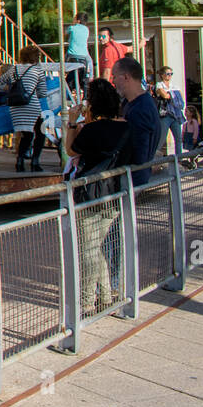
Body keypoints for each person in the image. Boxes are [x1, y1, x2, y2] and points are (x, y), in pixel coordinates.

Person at [63, 78, 130, 314]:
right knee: (96, 246)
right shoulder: (125, 126)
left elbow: (71, 150)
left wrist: (72, 124)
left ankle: (86, 301)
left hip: (90, 192)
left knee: (88, 250)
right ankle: (105, 296)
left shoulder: (93, 130)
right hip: (114, 191)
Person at [111, 56, 161, 187]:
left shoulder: (141, 108)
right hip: (132, 176)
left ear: (126, 77)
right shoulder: (132, 103)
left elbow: (140, 153)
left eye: (114, 76)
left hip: (133, 179)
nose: (113, 81)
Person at [1, 46, 48, 173]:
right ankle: (35, 161)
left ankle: (20, 160)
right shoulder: (37, 70)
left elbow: (1, 81)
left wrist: (11, 87)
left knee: (26, 134)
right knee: (41, 131)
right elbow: (43, 92)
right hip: (31, 105)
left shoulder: (14, 69)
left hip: (15, 106)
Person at [153, 66, 184, 157]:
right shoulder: (159, 85)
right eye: (167, 74)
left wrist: (170, 94)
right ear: (162, 75)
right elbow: (164, 95)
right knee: (161, 138)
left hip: (175, 114)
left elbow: (180, 98)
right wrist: (173, 95)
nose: (169, 76)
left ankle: (179, 158)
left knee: (178, 138)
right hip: (165, 114)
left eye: (171, 74)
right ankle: (155, 158)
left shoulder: (174, 85)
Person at [65, 12, 92, 95]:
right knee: (90, 62)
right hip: (84, 54)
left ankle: (64, 71)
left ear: (78, 20)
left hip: (72, 54)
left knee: (65, 59)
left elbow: (65, 34)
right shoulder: (86, 29)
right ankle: (90, 77)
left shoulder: (72, 28)